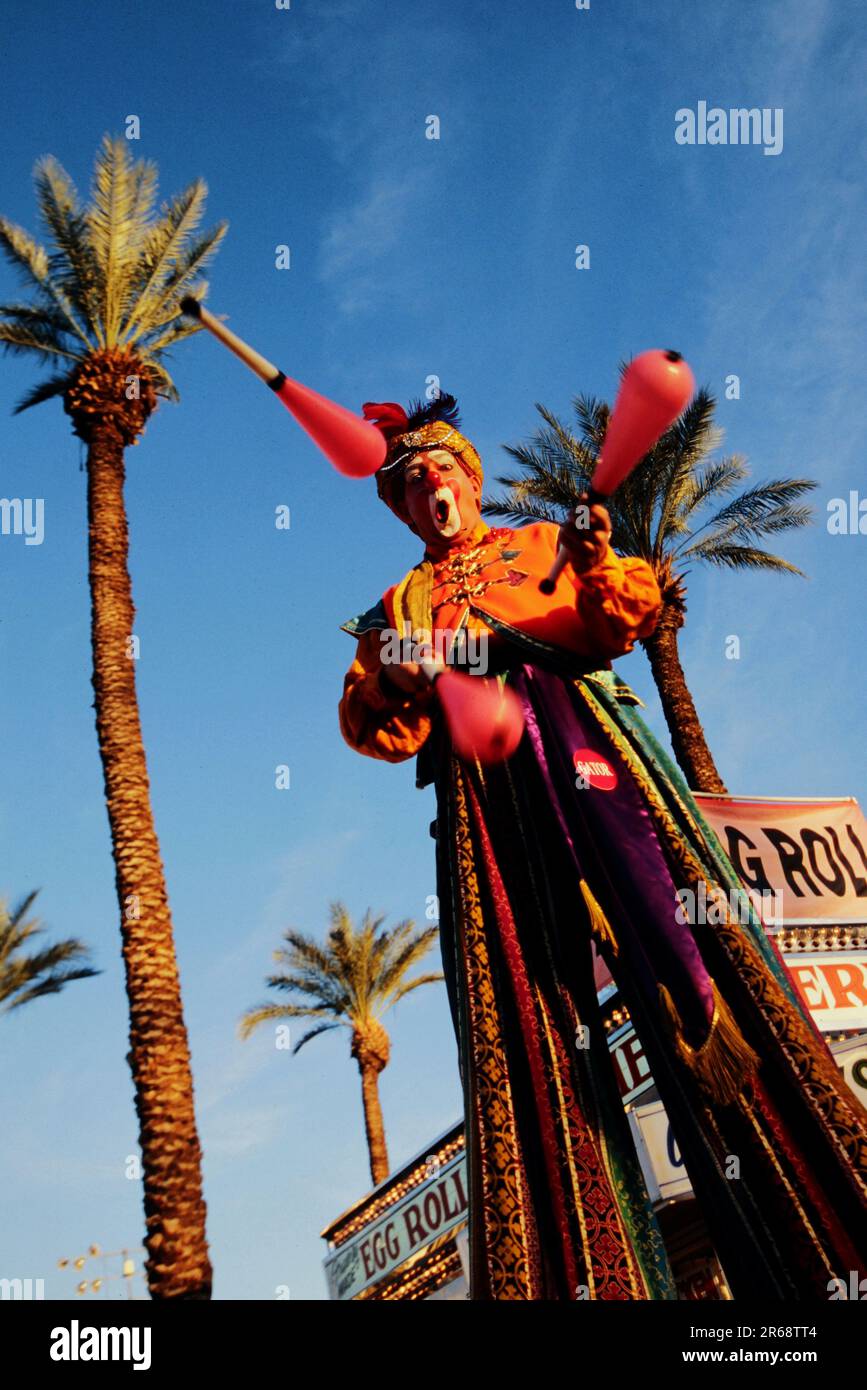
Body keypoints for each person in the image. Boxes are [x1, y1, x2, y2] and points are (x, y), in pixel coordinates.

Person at [338, 392, 867, 1300]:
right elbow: (366, 722)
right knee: (527, 1013)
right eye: (413, 486)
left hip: (592, 750)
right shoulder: (398, 603)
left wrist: (590, 561)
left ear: (468, 481)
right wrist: (393, 671)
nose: (432, 493)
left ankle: (825, 1236)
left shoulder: (536, 546)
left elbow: (620, 616)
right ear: (401, 508)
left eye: (442, 476)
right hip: (485, 807)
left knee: (697, 941)